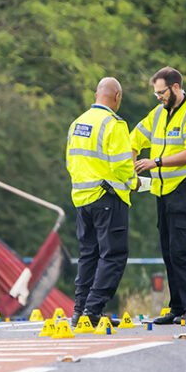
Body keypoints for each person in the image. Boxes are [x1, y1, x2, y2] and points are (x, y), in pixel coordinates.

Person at [131, 67, 186, 324]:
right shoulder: (158, 114)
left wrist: (155, 162)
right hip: (162, 192)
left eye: (161, 92)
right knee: (169, 251)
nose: (157, 97)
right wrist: (132, 168)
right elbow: (133, 139)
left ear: (176, 87)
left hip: (184, 190)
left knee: (182, 250)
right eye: (155, 93)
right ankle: (178, 307)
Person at [66, 77, 136, 327]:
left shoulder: (77, 123)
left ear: (96, 95)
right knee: (114, 255)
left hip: (82, 200)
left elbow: (70, 162)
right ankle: (93, 311)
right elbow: (122, 165)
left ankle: (79, 311)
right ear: (117, 97)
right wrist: (135, 182)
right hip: (108, 198)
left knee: (88, 255)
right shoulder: (114, 124)